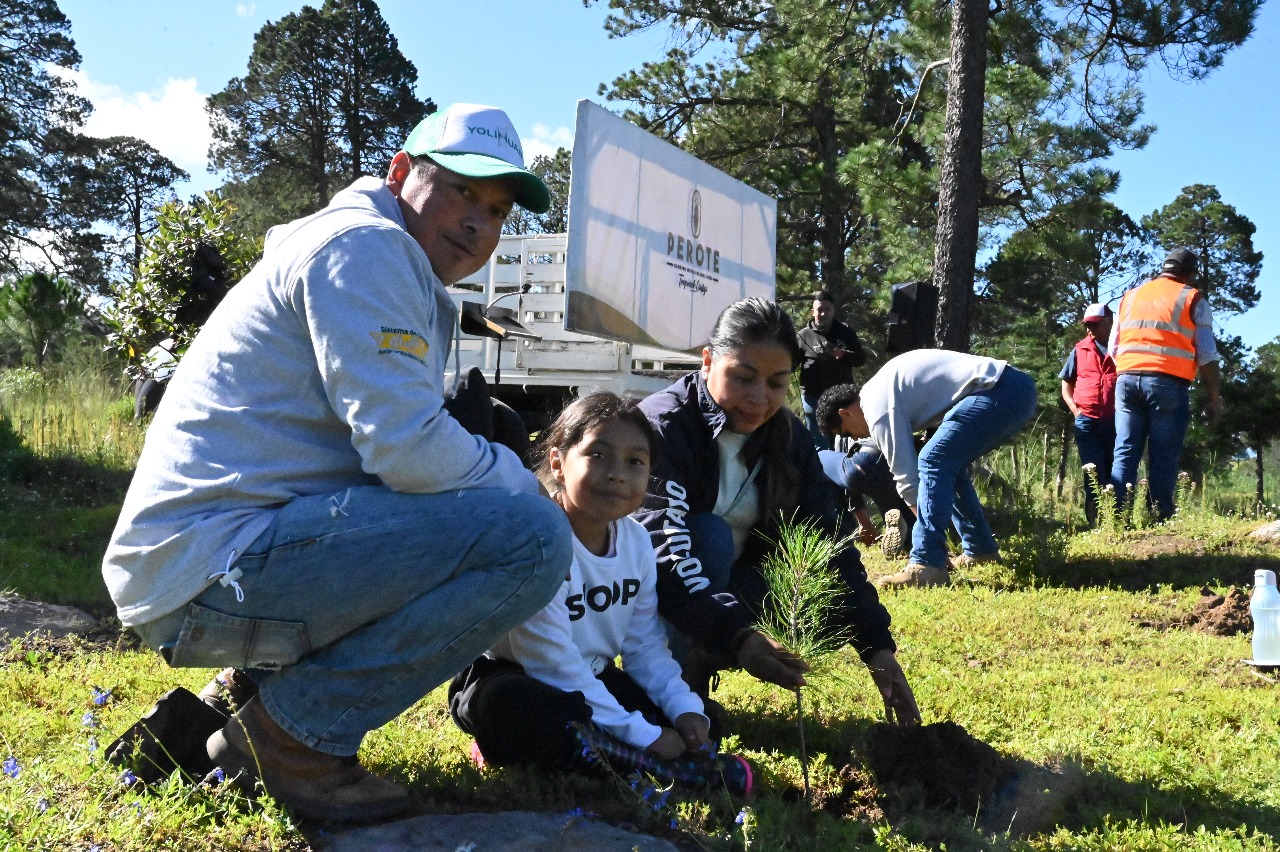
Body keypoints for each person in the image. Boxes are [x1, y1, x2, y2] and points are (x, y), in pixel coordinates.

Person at [100, 103, 574, 822]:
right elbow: (406, 448)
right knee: (534, 539)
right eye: (461, 192)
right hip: (212, 561)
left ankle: (239, 702)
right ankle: (290, 740)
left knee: (451, 514)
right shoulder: (368, 249)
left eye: (499, 209)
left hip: (198, 558)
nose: (479, 222)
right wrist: (526, 487)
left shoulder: (370, 250)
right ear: (400, 173)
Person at [636, 298, 921, 727]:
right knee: (707, 536)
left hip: (730, 590)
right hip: (649, 595)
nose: (759, 399)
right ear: (708, 360)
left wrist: (876, 647)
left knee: (809, 579)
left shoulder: (788, 438)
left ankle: (704, 659)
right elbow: (663, 549)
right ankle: (673, 691)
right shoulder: (666, 427)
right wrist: (737, 634)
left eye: (776, 383)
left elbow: (828, 539)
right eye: (744, 377)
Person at [449, 392, 752, 796]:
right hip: (513, 677)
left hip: (591, 677)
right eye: (598, 455)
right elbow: (552, 665)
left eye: (635, 462)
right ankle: (658, 770)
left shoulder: (638, 543)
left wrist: (684, 710)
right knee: (525, 709)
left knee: (701, 717)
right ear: (557, 461)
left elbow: (644, 645)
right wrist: (647, 737)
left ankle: (618, 755)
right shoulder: (540, 539)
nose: (617, 474)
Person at [825, 349, 1037, 588]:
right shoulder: (879, 390)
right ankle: (980, 550)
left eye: (847, 432)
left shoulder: (877, 408)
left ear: (845, 413)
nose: (856, 438)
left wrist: (933, 546)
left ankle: (927, 564)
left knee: (932, 459)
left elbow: (906, 478)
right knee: (947, 464)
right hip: (1014, 387)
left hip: (1000, 389)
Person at [1109, 247, 1222, 521]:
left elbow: (1113, 347)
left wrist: (1132, 368)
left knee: (1125, 450)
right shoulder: (1192, 297)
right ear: (1189, 274)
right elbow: (1206, 354)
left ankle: (1115, 517)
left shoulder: (1130, 296)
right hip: (1167, 384)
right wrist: (1215, 397)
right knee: (1163, 453)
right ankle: (1159, 515)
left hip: (1126, 380)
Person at [813, 385, 916, 558]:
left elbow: (850, 484)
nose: (852, 437)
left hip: (863, 464)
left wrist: (862, 520)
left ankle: (841, 534)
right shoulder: (887, 402)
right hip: (898, 465)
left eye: (845, 433)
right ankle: (908, 535)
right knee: (895, 506)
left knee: (821, 458)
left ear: (844, 414)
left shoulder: (855, 421)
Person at [1058, 303, 1117, 526]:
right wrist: (1075, 410)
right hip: (1087, 422)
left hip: (1115, 421)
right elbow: (1066, 384)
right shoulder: (1080, 350)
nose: (1090, 330)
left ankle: (1115, 517)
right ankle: (1095, 519)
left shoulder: (1121, 349)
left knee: (1114, 468)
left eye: (1095, 324)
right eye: (1087, 325)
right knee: (1093, 469)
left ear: (1110, 322)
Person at [797, 290, 866, 450]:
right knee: (818, 443)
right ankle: (819, 472)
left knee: (845, 441)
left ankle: (844, 471)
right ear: (812, 312)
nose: (823, 313)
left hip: (842, 398)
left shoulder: (845, 331)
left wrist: (842, 354)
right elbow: (790, 364)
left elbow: (860, 359)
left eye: (827, 309)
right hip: (813, 397)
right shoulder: (802, 336)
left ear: (833, 310)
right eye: (819, 310)